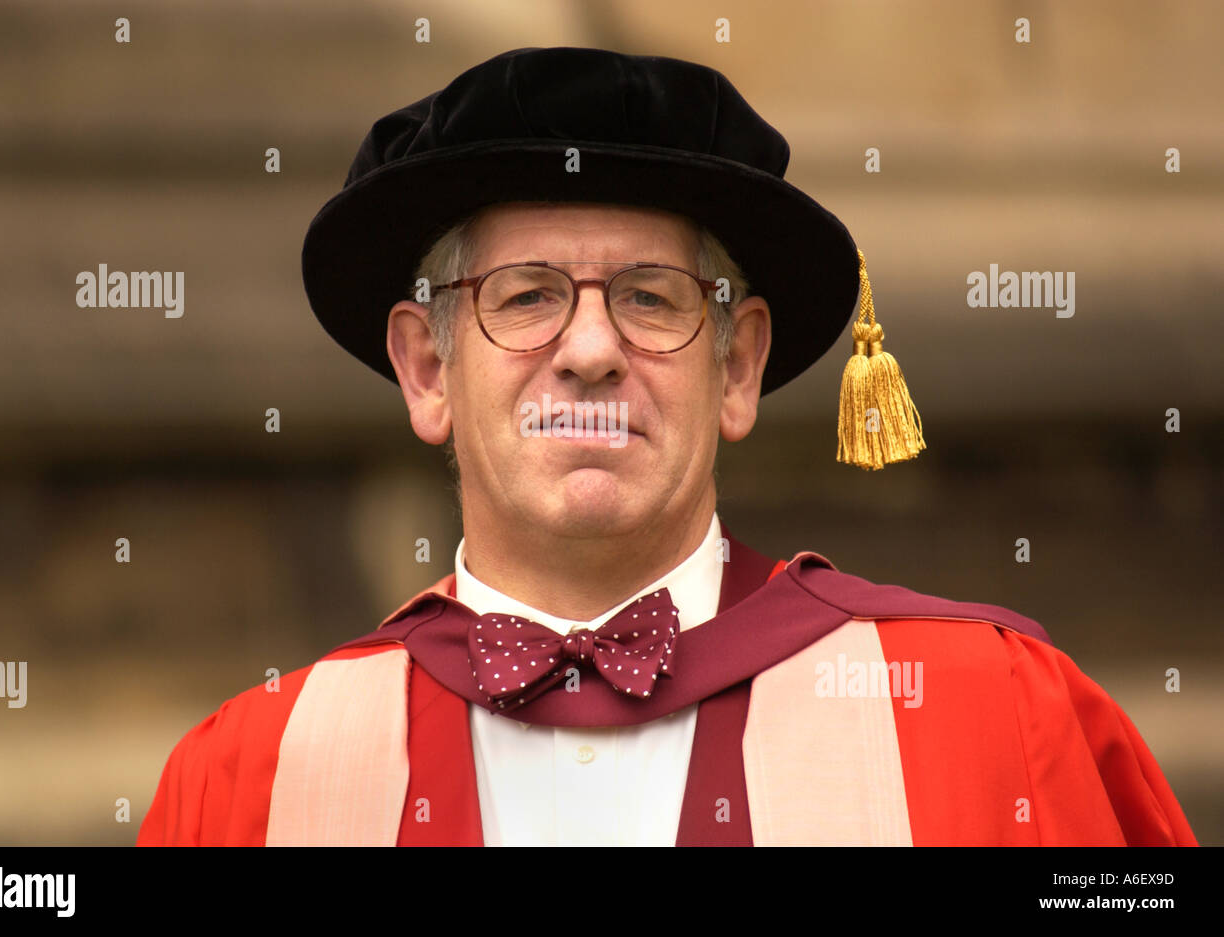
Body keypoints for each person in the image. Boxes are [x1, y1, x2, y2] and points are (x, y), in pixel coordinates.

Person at [137, 47, 1196, 846]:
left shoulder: (990, 714)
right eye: (526, 295)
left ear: (735, 367)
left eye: (651, 298)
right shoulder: (249, 785)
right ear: (425, 370)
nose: (590, 350)